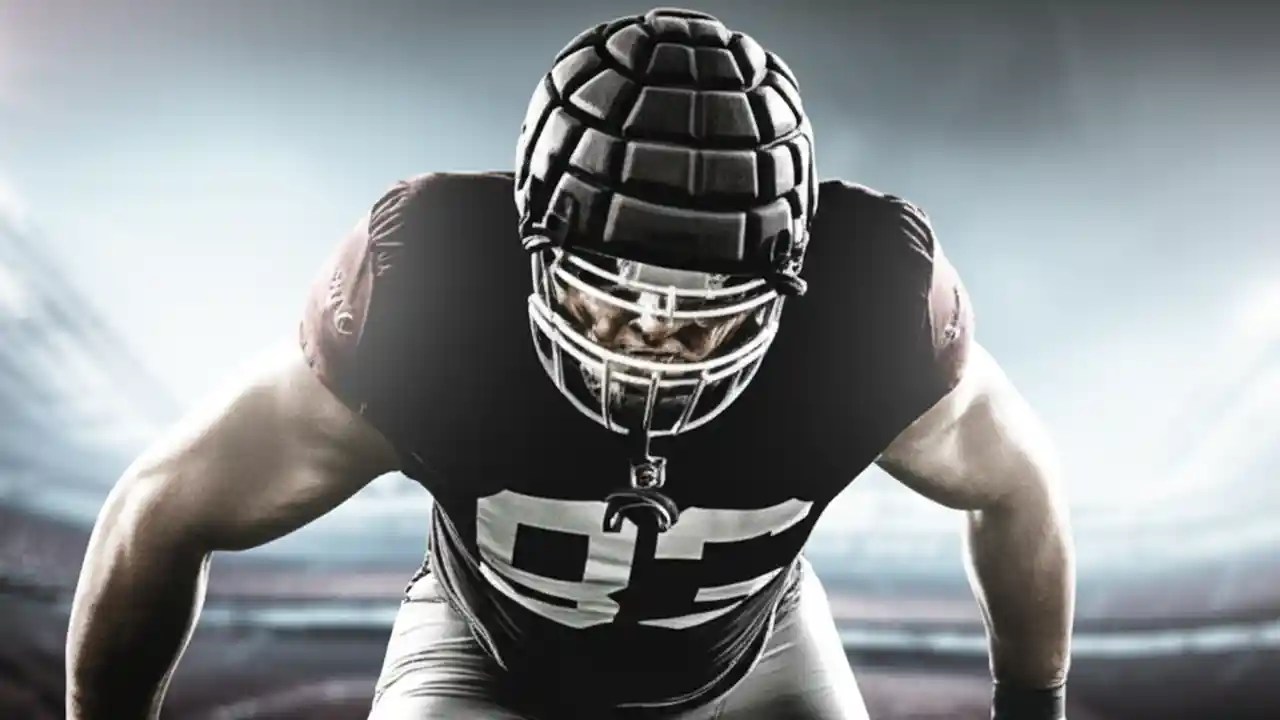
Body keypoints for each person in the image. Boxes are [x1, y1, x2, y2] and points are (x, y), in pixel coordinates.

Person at [65, 8, 1074, 720]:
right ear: (530, 252)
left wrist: (1033, 711)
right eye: (615, 295)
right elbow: (161, 509)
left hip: (757, 659)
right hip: (483, 663)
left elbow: (1017, 488)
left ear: (788, 287)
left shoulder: (866, 314)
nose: (652, 340)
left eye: (702, 314)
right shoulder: (435, 308)